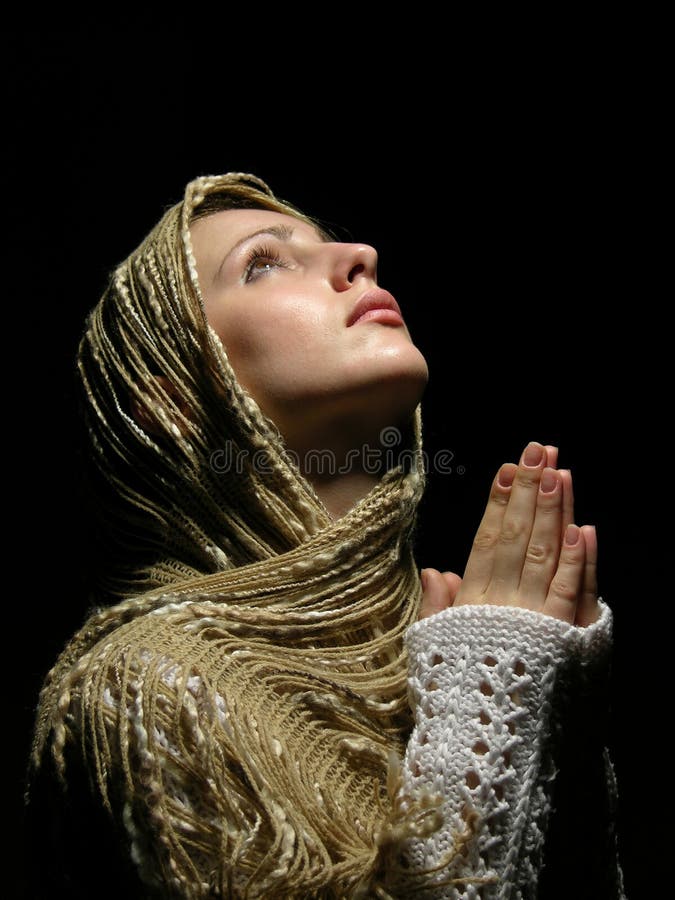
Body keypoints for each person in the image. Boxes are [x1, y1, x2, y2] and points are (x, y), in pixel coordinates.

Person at [26, 172, 625, 898]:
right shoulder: (145, 684)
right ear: (172, 400)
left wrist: (548, 707)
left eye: (324, 243)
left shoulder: (436, 636)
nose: (360, 255)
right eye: (263, 262)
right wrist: (492, 687)